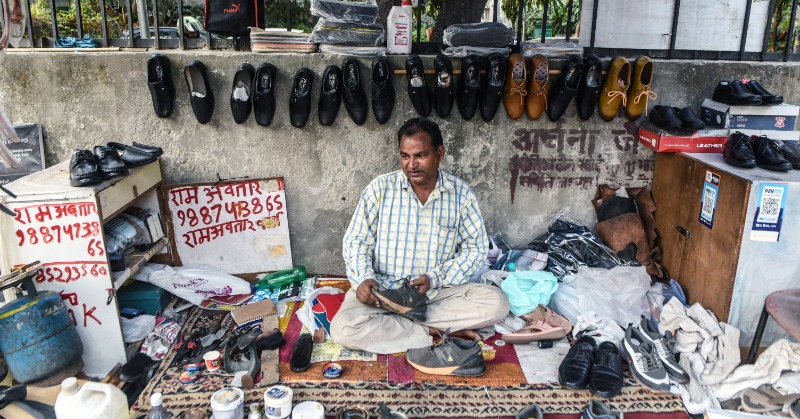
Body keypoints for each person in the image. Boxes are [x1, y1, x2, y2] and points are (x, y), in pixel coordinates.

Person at [330, 118, 509, 354]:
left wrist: (435, 278)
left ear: (440, 153)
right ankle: (433, 330)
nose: (411, 164)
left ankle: (410, 327)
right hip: (383, 293)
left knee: (497, 303)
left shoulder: (460, 194)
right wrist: (364, 278)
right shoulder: (380, 189)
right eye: (405, 156)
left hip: (434, 293)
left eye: (420, 156)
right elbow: (357, 241)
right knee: (344, 329)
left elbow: (474, 251)